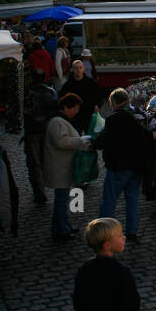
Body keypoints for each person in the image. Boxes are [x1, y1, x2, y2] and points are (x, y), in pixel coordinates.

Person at [98, 88, 146, 243]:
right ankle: (132, 231)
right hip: (137, 165)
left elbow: (104, 140)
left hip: (118, 165)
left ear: (114, 102)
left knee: (109, 200)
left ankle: (105, 232)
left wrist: (92, 144)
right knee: (132, 200)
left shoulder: (113, 119)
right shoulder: (140, 114)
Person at [44, 94, 92, 240]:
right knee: (61, 201)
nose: (76, 112)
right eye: (75, 109)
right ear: (66, 107)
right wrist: (80, 141)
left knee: (62, 200)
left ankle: (62, 227)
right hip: (60, 167)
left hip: (62, 166)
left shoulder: (59, 120)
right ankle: (61, 230)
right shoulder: (57, 122)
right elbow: (62, 142)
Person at [23, 69, 59, 204]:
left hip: (32, 130)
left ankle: (39, 190)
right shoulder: (51, 92)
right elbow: (55, 109)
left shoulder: (27, 93)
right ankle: (45, 185)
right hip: (46, 129)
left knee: (34, 162)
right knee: (45, 159)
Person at [61, 57, 105, 134]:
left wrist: (98, 105)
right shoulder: (68, 85)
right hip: (74, 115)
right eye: (76, 68)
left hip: (88, 112)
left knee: (90, 135)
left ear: (83, 68)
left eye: (80, 68)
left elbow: (99, 95)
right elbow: (63, 98)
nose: (78, 70)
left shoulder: (91, 83)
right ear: (72, 69)